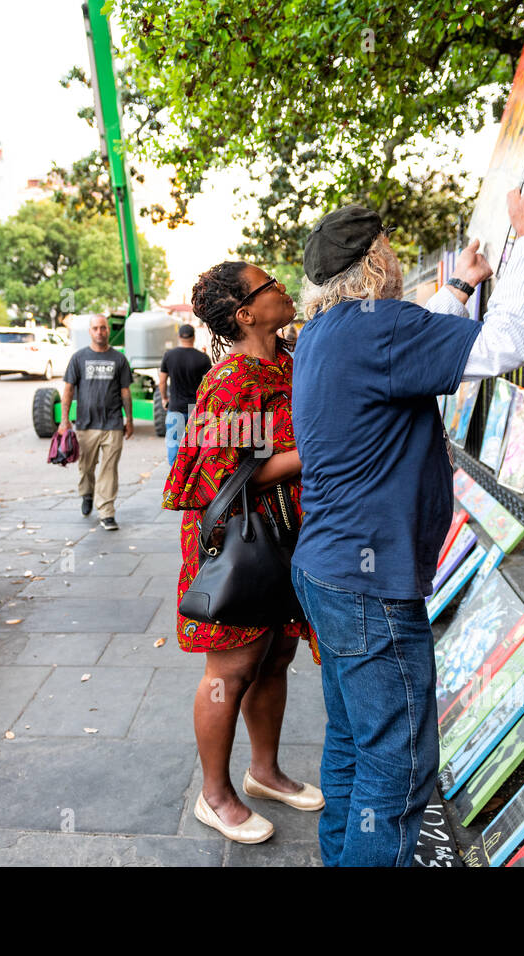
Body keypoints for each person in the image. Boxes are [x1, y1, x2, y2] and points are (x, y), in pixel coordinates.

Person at [290, 169, 524, 867]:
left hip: (329, 570)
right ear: (375, 261)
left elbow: (412, 347)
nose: (393, 258)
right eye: (386, 247)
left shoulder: (329, 334)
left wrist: (462, 285)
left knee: (354, 741)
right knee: (399, 765)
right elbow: (504, 345)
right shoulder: (376, 334)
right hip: (368, 585)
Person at [162, 262, 321, 845]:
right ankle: (214, 793)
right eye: (269, 284)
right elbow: (224, 475)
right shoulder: (231, 381)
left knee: (275, 655)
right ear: (246, 314)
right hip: (238, 539)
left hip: (282, 532)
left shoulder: (284, 359)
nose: (283, 287)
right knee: (231, 669)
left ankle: (264, 771)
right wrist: (315, 451)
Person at [59, 314, 132, 530]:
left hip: (113, 424)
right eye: (96, 328)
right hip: (85, 424)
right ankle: (87, 494)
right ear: (90, 331)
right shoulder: (78, 358)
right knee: (86, 468)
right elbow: (68, 390)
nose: (100, 332)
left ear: (108, 330)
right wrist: (64, 420)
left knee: (109, 469)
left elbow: (125, 391)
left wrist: (129, 420)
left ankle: (107, 512)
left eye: (103, 328)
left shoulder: (119, 359)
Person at [158, 323, 211, 467]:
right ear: (193, 337)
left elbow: (162, 382)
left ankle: (176, 481)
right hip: (196, 410)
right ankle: (192, 481)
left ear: (179, 337)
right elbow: (210, 385)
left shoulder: (169, 356)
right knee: (196, 448)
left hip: (175, 408)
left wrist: (164, 399)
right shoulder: (203, 358)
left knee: (174, 446)